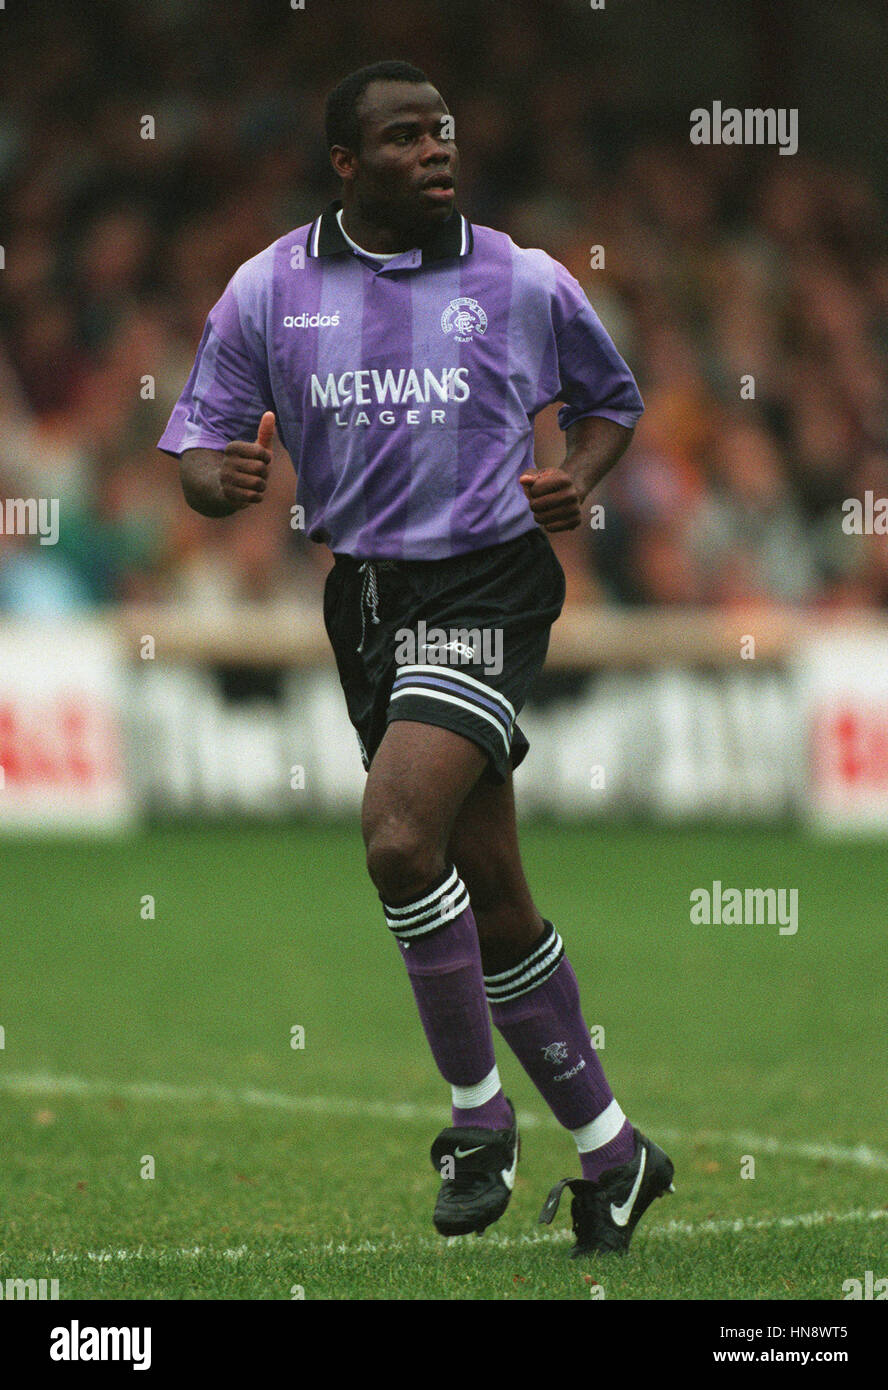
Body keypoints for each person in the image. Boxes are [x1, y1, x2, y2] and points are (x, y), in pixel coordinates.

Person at [158, 60, 673, 1257]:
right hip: (366, 598)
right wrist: (218, 482)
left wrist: (577, 480)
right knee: (490, 899)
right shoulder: (267, 288)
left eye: (442, 130)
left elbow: (610, 404)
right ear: (347, 163)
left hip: (488, 578)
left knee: (397, 835)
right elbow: (196, 443)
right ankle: (612, 1149)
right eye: (403, 137)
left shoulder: (525, 279)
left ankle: (476, 1121)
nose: (435, 149)